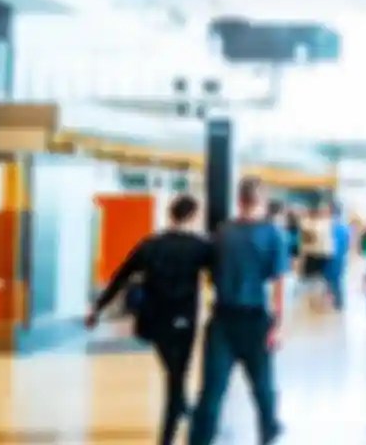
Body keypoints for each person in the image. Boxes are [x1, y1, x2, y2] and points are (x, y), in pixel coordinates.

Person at [86, 195, 213, 445]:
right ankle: (167, 435)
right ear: (193, 216)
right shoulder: (200, 247)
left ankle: (181, 407)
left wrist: (97, 308)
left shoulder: (149, 245)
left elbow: (120, 276)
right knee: (176, 378)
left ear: (171, 215)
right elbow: (220, 274)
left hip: (154, 322)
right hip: (183, 321)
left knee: (173, 372)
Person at [188, 177, 288, 445]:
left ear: (239, 200)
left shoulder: (221, 232)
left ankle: (200, 440)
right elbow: (279, 284)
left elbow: (208, 275)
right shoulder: (273, 234)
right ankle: (267, 435)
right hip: (256, 320)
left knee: (211, 393)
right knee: (263, 391)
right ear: (263, 202)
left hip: (222, 320)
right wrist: (278, 325)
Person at [299, 206, 336, 309]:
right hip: (318, 258)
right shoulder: (324, 225)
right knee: (315, 284)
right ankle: (316, 304)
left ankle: (316, 304)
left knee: (315, 284)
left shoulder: (314, 225)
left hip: (317, 259)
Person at [325, 203, 352, 311]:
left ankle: (338, 303)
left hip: (334, 258)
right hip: (339, 258)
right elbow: (347, 245)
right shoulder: (344, 227)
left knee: (334, 281)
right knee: (336, 280)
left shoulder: (333, 227)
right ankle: (337, 302)